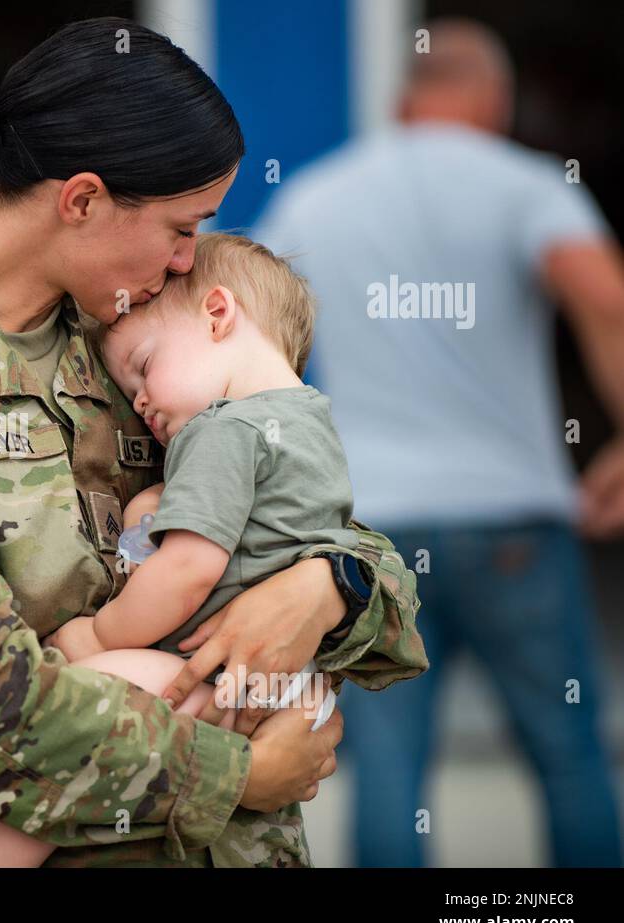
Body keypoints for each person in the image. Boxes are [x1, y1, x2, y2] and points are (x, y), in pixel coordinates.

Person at [0, 17, 425, 868]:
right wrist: (241, 772)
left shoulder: (134, 341)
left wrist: (324, 588)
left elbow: (342, 542)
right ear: (82, 199)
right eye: (182, 227)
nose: (192, 262)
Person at [254, 18, 624, 866]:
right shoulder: (529, 186)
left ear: (403, 102)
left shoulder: (315, 195)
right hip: (514, 522)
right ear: (495, 101)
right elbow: (603, 298)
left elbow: (250, 332)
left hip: (370, 530)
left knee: (386, 763)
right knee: (567, 752)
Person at [0, 232, 390, 867]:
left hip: (216, 679)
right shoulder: (311, 423)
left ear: (217, 315)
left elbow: (190, 570)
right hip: (288, 690)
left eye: (142, 366)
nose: (140, 401)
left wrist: (101, 636)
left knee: (65, 709)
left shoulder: (222, 429)